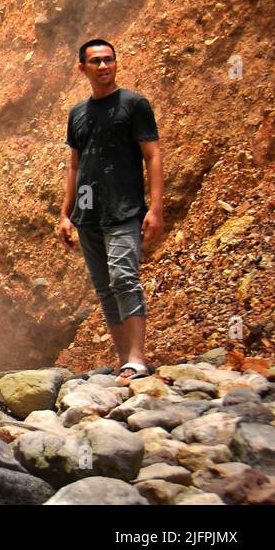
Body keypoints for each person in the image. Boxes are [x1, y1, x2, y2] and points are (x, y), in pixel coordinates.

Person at [57, 38, 164, 381]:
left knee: (124, 277)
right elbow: (75, 165)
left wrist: (156, 208)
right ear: (82, 68)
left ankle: (137, 356)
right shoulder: (78, 113)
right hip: (89, 211)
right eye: (96, 62)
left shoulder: (134, 104)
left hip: (124, 207)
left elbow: (153, 155)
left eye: (109, 60)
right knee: (104, 286)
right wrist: (66, 213)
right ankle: (123, 361)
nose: (103, 66)